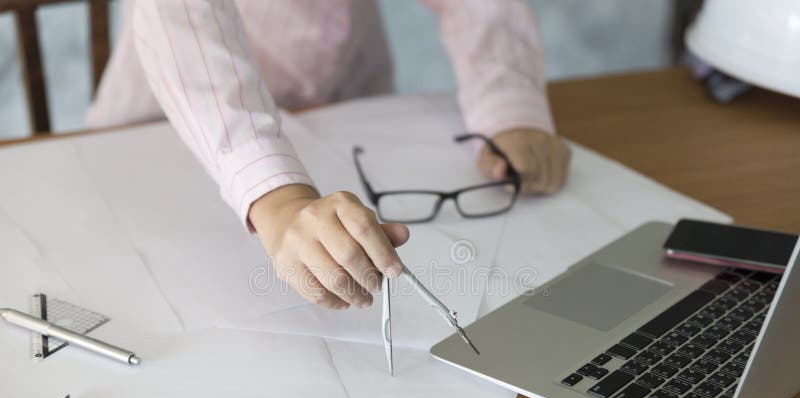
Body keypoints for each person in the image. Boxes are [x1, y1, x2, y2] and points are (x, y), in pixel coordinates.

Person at [88, 0, 571, 310]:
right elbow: (180, 17)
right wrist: (276, 199)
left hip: (347, 107)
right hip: (171, 134)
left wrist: (509, 101)